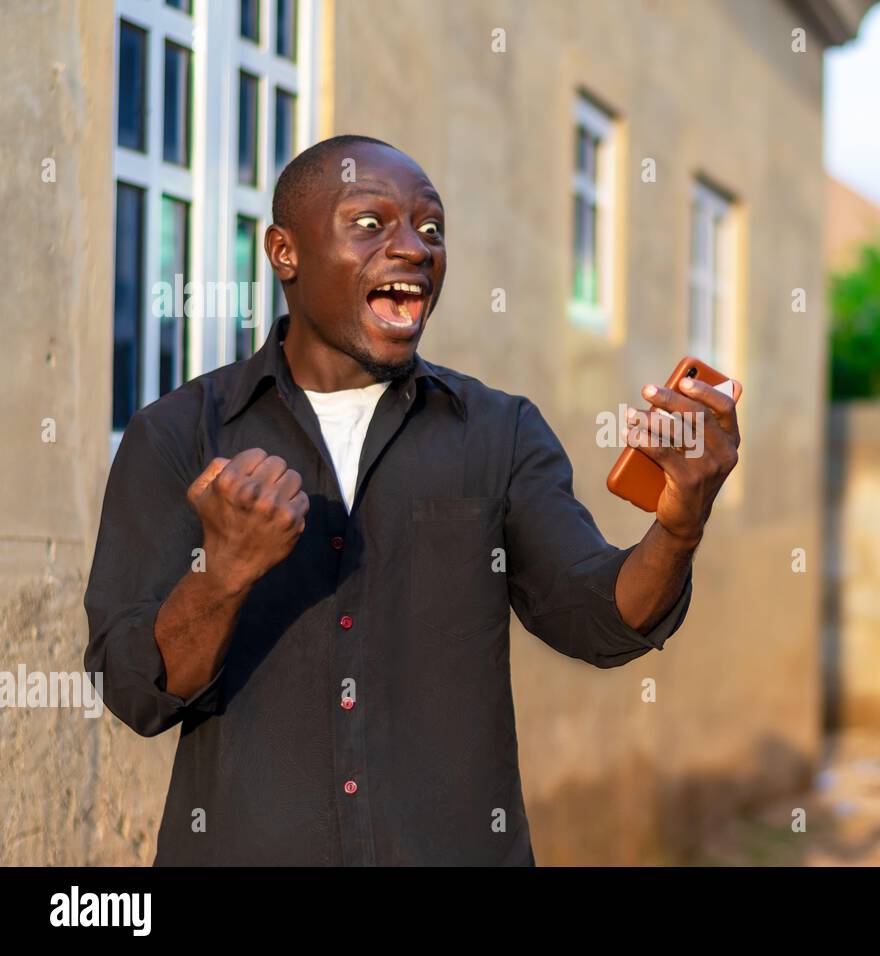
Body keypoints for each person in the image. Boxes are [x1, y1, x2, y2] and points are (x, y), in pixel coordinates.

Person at [83, 135, 741, 865]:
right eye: (371, 224)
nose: (415, 248)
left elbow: (597, 618)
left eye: (431, 229)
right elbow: (133, 692)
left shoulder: (498, 432)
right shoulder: (178, 436)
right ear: (284, 252)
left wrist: (678, 529)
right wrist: (223, 572)